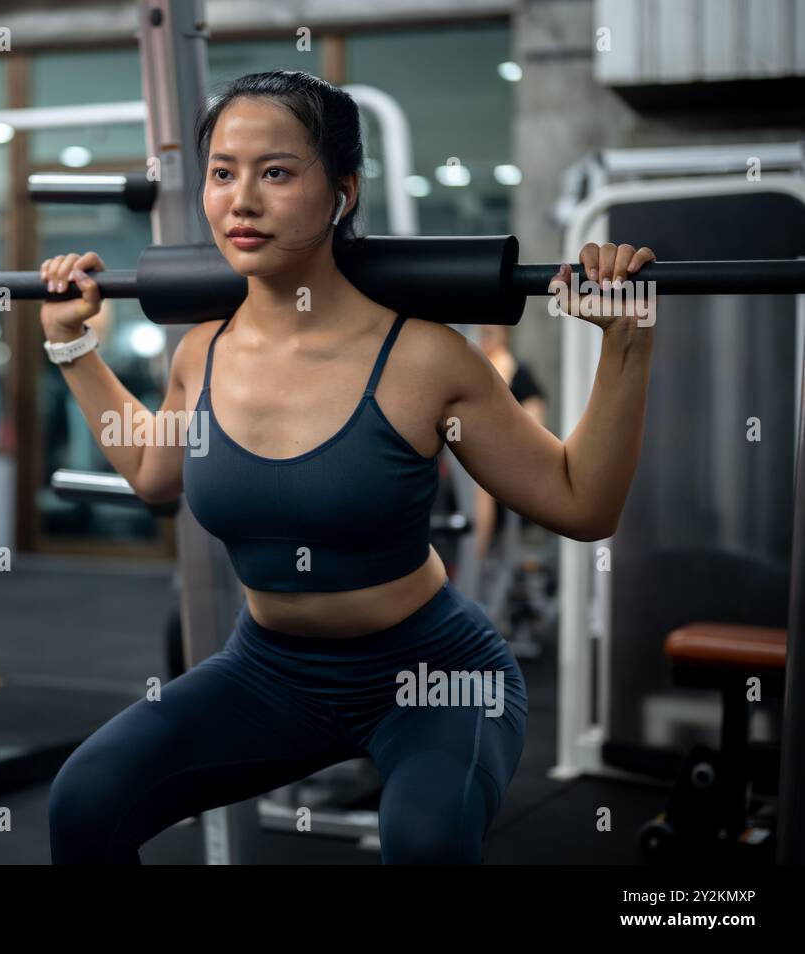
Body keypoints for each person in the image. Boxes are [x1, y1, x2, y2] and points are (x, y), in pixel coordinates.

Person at [40, 69, 656, 864]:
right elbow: (157, 475)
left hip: (433, 675)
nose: (242, 200)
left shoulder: (426, 358)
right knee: (86, 799)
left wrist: (626, 345)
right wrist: (72, 348)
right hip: (269, 673)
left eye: (277, 172)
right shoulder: (203, 351)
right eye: (223, 173)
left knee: (425, 844)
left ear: (344, 190)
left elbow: (581, 504)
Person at [472, 324, 549, 561]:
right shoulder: (469, 370)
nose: (484, 341)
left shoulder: (518, 375)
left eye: (489, 334)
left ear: (505, 335)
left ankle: (473, 567)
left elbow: (534, 438)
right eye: (480, 334)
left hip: (503, 484)